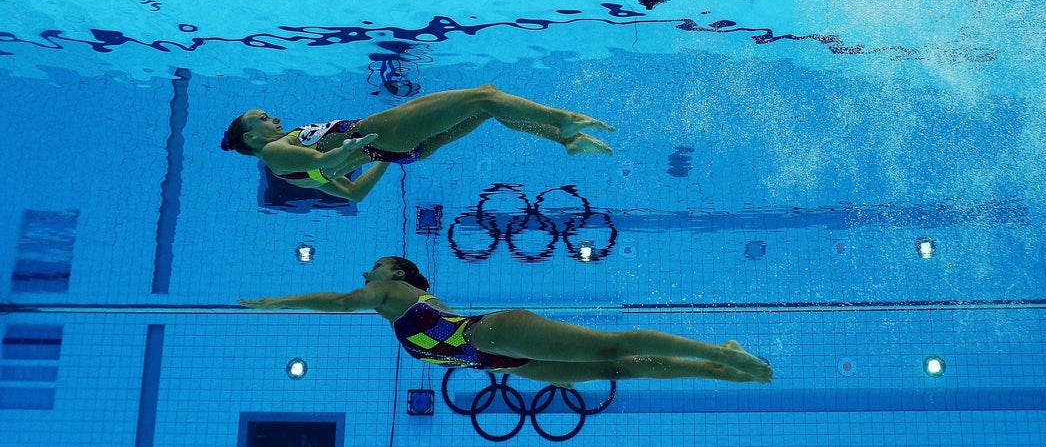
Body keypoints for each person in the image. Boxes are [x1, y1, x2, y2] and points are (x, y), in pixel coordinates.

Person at [240, 256, 773, 385]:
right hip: (503, 361)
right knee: (618, 370)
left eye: (376, 266)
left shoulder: (392, 289)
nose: (367, 274)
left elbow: (337, 302)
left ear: (399, 271)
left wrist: (271, 304)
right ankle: (723, 371)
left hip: (492, 333)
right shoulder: (394, 302)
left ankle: (720, 350)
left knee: (612, 347)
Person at [221, 85, 614, 202]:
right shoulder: (273, 152)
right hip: (379, 133)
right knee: (484, 97)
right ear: (251, 137)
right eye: (262, 119)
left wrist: (382, 156)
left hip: (398, 149)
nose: (272, 119)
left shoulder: (287, 172)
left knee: (486, 111)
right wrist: (348, 150)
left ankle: (568, 143)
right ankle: (563, 123)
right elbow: (317, 162)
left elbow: (353, 193)